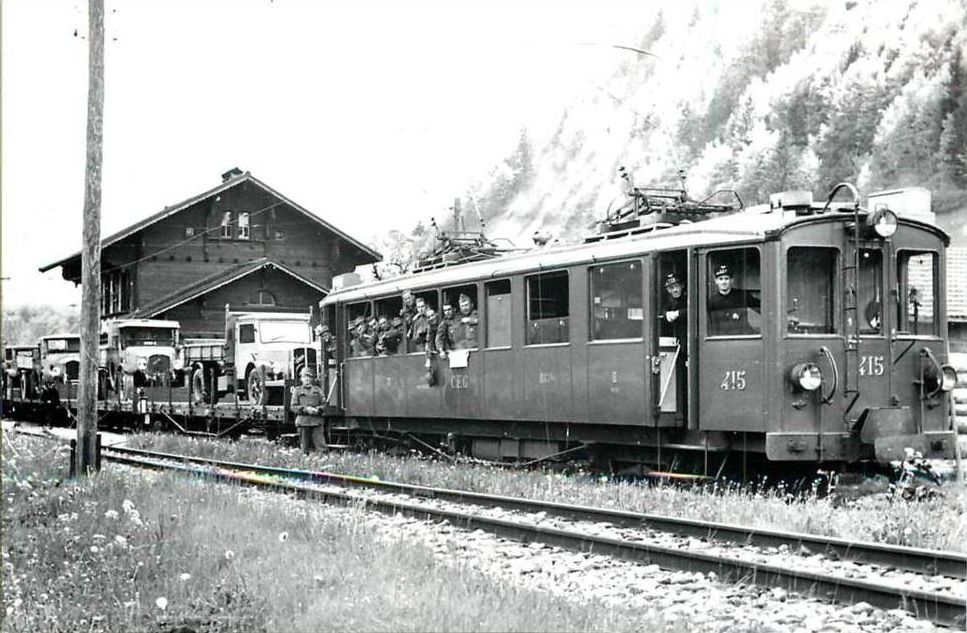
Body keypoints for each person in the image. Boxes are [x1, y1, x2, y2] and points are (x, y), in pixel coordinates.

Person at [707, 264, 760, 335]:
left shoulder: (742, 295)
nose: (723, 282)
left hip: (741, 337)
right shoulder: (711, 301)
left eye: (726, 278)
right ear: (716, 281)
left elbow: (762, 308)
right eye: (721, 279)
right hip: (720, 339)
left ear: (732, 280)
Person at [291, 367, 326, 454]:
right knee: (304, 446)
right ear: (301, 378)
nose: (307, 379)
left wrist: (318, 409)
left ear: (312, 379)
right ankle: (304, 461)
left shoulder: (318, 390)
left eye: (309, 377)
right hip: (303, 421)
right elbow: (293, 406)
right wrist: (306, 409)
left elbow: (324, 404)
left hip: (316, 420)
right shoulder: (297, 391)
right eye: (304, 377)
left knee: (320, 445)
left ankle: (322, 458)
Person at [661, 272, 686, 339]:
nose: (675, 290)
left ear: (682, 286)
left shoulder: (687, 299)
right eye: (672, 288)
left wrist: (678, 313)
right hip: (671, 337)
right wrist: (666, 314)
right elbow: (662, 312)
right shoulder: (667, 302)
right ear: (668, 290)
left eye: (677, 286)